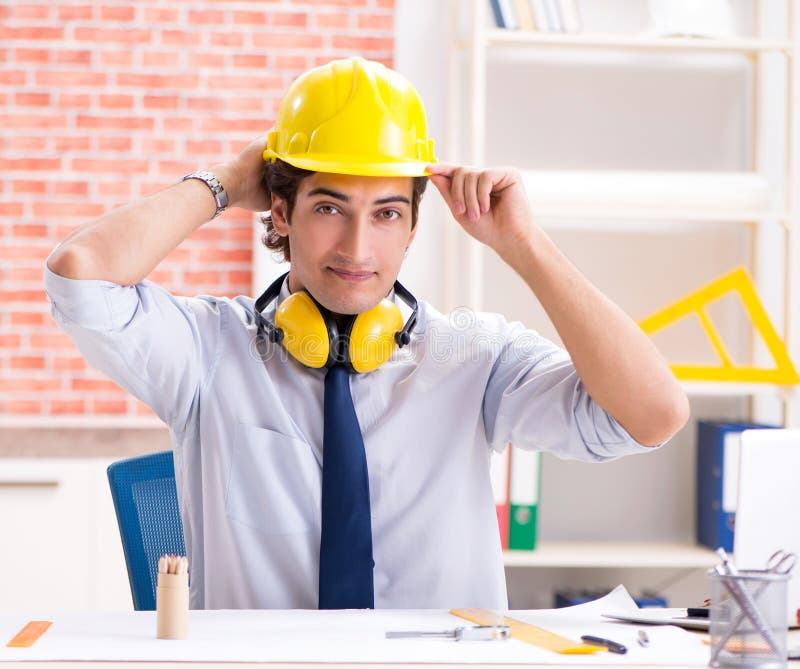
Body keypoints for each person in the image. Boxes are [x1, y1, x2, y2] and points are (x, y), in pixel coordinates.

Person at [45, 56, 689, 610]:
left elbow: (652, 414)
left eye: (386, 214)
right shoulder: (207, 349)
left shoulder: (474, 355)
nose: (358, 246)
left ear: (412, 228)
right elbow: (80, 276)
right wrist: (222, 184)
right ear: (281, 213)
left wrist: (525, 245)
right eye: (329, 208)